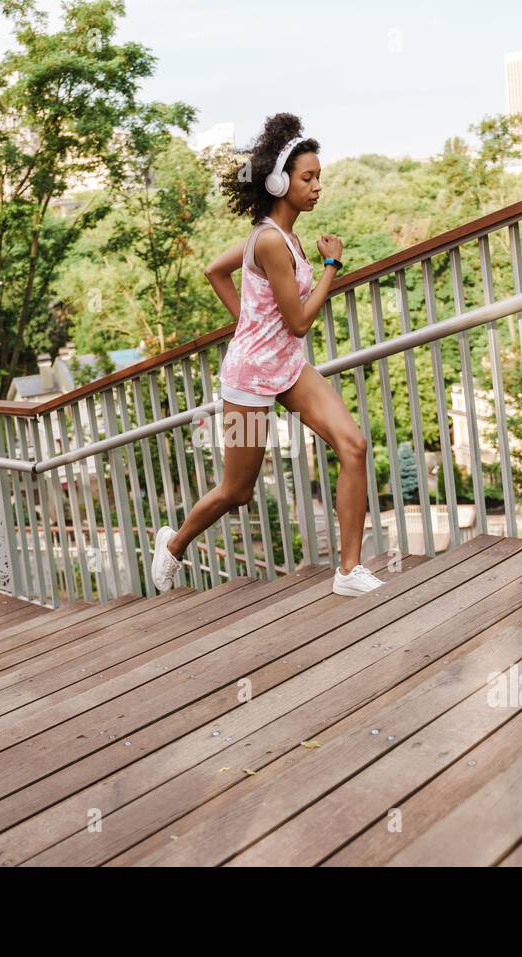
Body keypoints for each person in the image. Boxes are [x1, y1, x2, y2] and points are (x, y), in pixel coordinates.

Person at [149, 113, 385, 598]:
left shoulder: (282, 236)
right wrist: (331, 268)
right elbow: (299, 322)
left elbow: (216, 271)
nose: (318, 186)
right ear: (280, 183)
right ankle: (173, 545)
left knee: (353, 446)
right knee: (238, 492)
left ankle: (348, 570)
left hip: (288, 369)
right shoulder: (274, 242)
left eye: (319, 176)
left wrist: (249, 322)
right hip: (250, 382)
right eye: (308, 177)